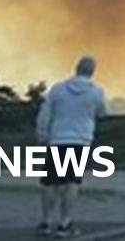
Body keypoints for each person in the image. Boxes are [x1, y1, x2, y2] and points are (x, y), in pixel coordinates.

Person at [35, 56, 106, 238]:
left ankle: (45, 221)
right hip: (80, 142)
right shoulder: (96, 92)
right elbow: (102, 112)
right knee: (72, 182)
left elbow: (45, 114)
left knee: (50, 183)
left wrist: (42, 135)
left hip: (57, 140)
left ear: (76, 68)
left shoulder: (58, 89)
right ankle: (64, 223)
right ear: (93, 71)